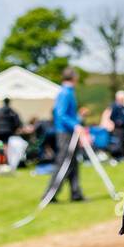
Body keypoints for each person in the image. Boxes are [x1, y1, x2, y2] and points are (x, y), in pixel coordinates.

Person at [47, 67, 86, 202]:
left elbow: (68, 114)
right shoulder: (65, 93)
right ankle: (50, 195)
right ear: (74, 77)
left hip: (69, 132)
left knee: (73, 163)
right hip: (64, 133)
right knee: (63, 163)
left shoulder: (69, 92)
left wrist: (78, 120)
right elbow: (60, 114)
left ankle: (76, 193)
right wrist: (75, 125)